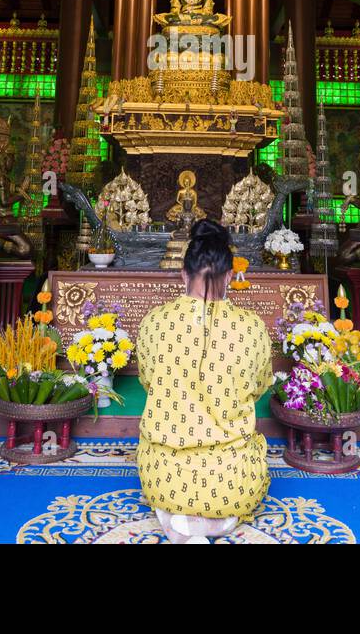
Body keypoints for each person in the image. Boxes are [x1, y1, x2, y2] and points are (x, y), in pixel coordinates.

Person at [136, 218, 274, 543]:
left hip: (165, 475)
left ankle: (179, 519)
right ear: (229, 275)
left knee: (166, 484)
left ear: (183, 273)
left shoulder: (154, 322)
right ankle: (216, 521)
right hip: (232, 481)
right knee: (249, 461)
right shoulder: (251, 327)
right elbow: (259, 386)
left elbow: (148, 381)